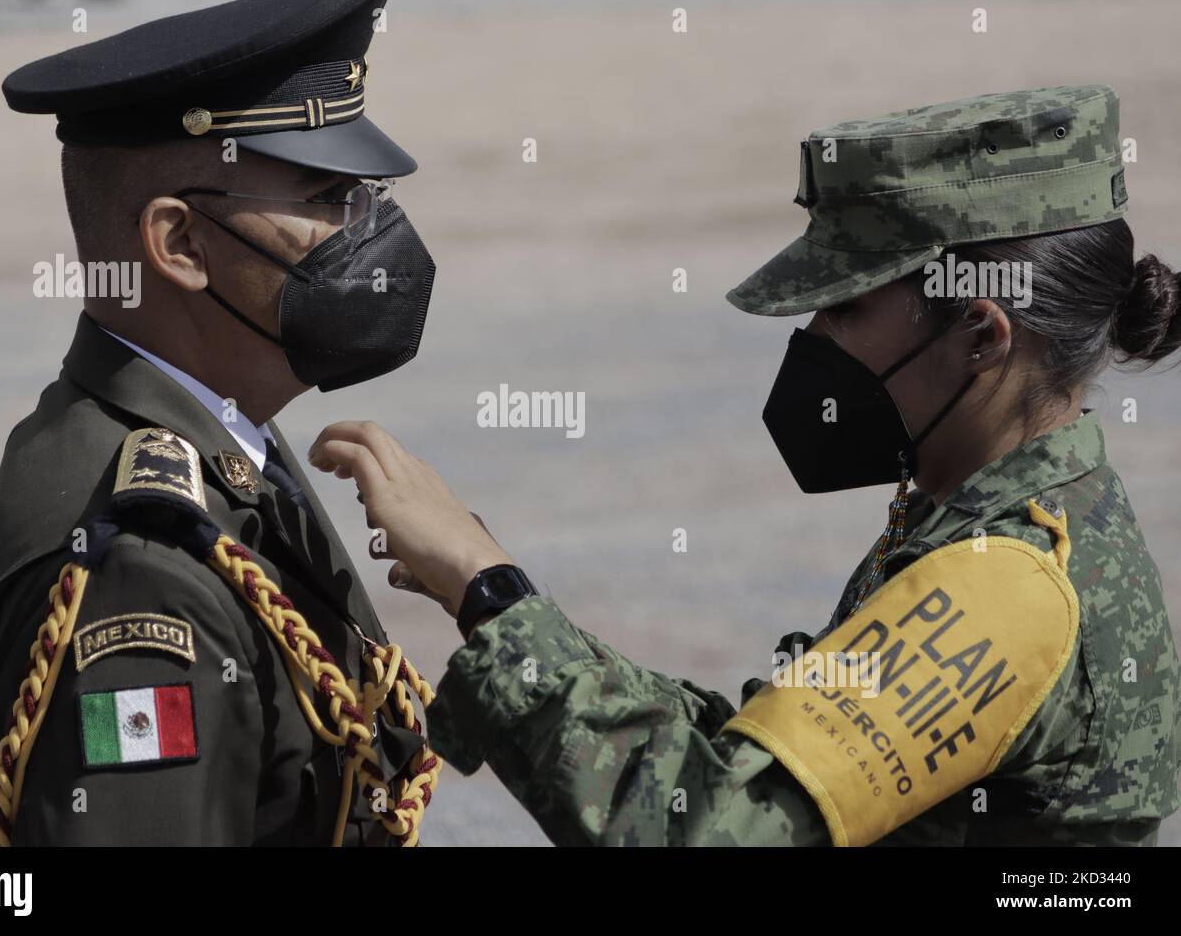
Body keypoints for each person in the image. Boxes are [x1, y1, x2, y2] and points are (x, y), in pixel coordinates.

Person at [309, 85, 1181, 845]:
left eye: (843, 309)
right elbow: (761, 766)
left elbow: (702, 829)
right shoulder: (996, 514)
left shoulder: (1008, 589)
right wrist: (511, 604)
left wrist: (483, 584)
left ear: (981, 336)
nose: (811, 341)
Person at [0, 0, 443, 847]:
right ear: (178, 246)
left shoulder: (217, 432)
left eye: (368, 197)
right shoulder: (140, 579)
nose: (370, 230)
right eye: (329, 201)